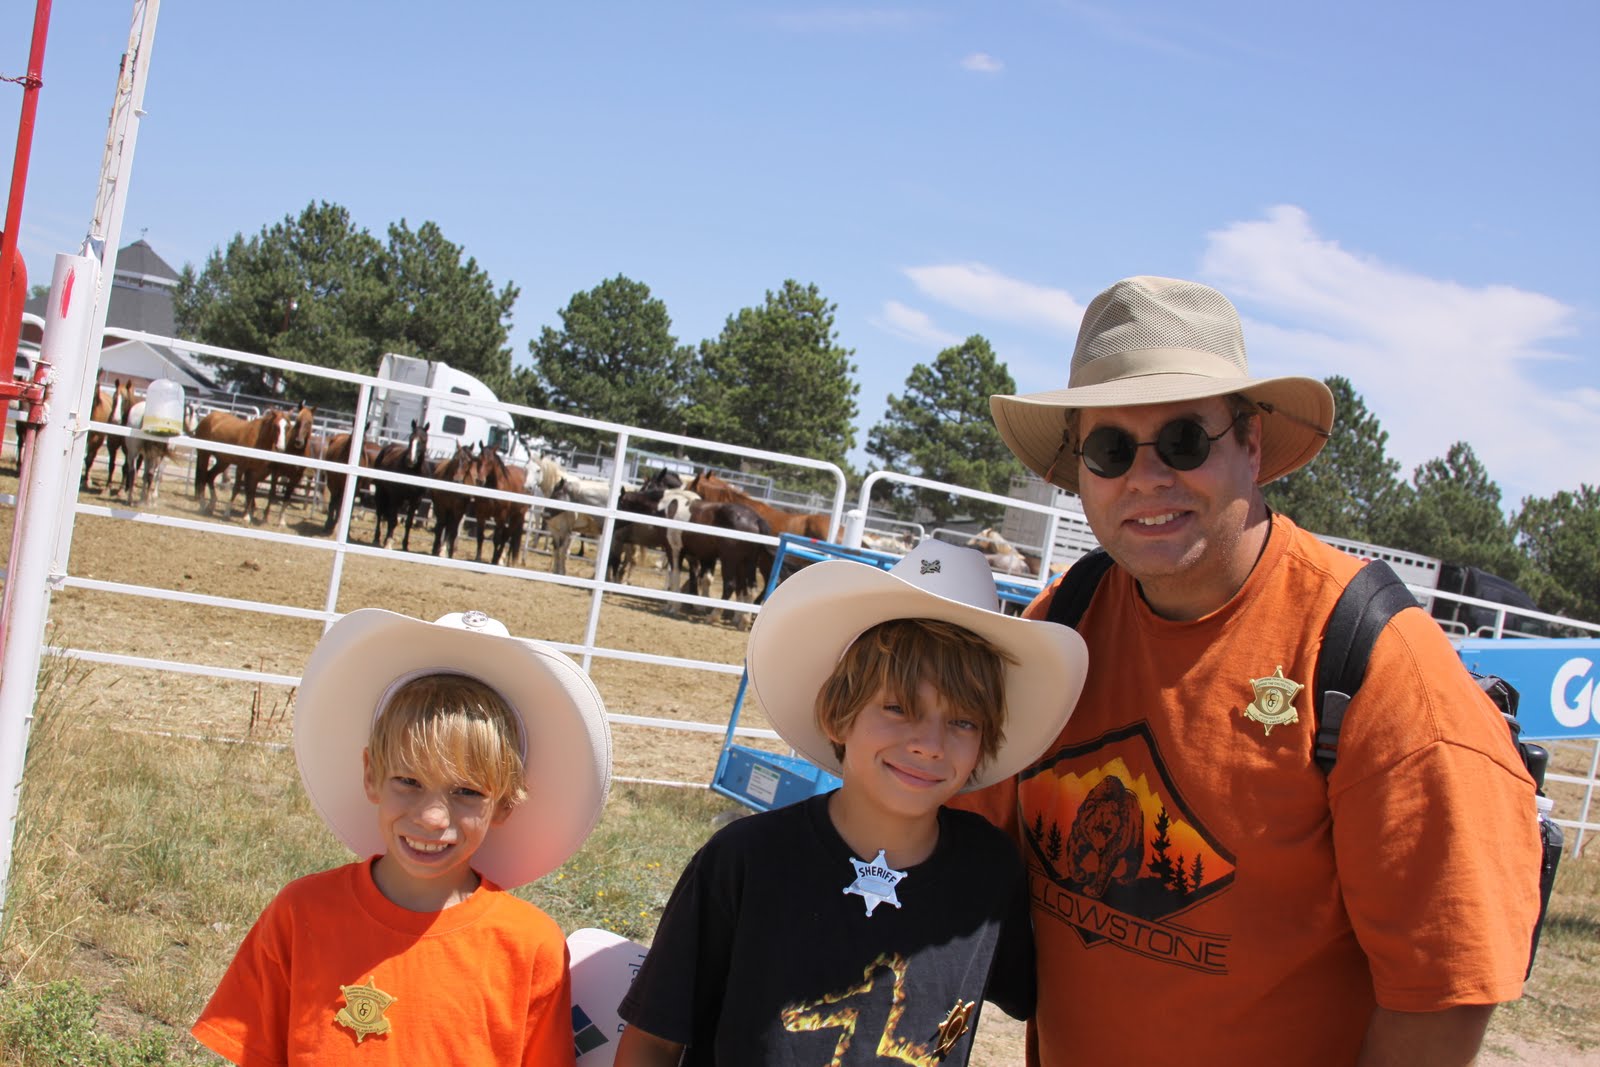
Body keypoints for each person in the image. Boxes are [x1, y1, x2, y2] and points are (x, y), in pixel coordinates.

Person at [957, 275, 1542, 1065]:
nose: (1148, 475)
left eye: (1185, 440)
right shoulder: (1069, 617)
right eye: (1110, 448)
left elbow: (1443, 989)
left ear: (1251, 443)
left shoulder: (1373, 659)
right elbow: (952, 821)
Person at [614, 538, 1088, 1066]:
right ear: (839, 715)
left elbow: (1049, 995)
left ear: (986, 741)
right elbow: (653, 1041)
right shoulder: (743, 862)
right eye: (898, 707)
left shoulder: (992, 873)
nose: (929, 744)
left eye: (962, 721)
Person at [192, 609, 613, 1066]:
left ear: (506, 804)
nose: (432, 818)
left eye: (466, 792)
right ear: (371, 775)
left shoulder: (530, 946)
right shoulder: (300, 915)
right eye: (408, 781)